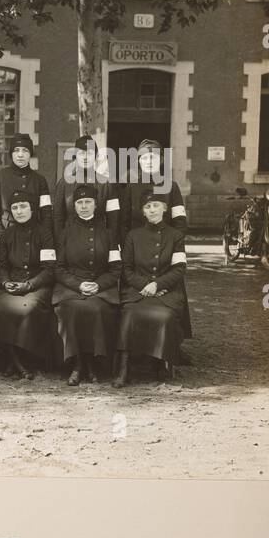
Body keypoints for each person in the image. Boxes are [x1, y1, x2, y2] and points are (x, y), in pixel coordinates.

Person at [117, 138, 194, 346]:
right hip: (138, 256)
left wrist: (171, 248)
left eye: (153, 157)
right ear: (138, 162)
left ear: (160, 160)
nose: (148, 161)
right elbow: (123, 224)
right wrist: (129, 252)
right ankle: (132, 346)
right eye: (144, 158)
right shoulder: (129, 187)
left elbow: (180, 222)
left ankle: (170, 347)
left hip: (164, 255)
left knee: (169, 301)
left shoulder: (171, 187)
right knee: (134, 303)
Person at [116, 189, 188, 387]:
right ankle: (124, 368)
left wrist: (158, 284)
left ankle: (160, 364)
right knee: (129, 314)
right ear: (143, 212)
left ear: (164, 208)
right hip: (138, 292)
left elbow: (179, 268)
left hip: (166, 292)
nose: (152, 210)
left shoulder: (176, 236)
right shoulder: (133, 236)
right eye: (147, 207)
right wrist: (145, 285)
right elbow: (127, 270)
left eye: (156, 205)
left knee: (164, 316)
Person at [53, 183, 122, 386]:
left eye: (88, 202)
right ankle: (77, 363)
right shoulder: (65, 234)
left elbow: (116, 269)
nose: (84, 206)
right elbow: (58, 268)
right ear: (74, 206)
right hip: (71, 288)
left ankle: (94, 362)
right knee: (71, 309)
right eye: (80, 203)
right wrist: (78, 285)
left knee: (98, 309)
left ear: (96, 204)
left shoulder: (109, 234)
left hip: (101, 288)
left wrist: (99, 285)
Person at [0, 187, 57, 380]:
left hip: (37, 285)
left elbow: (50, 269)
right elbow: (2, 266)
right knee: (1, 308)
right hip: (12, 284)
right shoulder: (7, 235)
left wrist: (29, 285)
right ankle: (15, 361)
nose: (19, 211)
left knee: (29, 308)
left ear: (32, 208)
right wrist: (4, 283)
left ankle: (22, 360)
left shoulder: (44, 234)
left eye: (23, 206)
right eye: (15, 207)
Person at [50, 135, 122, 245]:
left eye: (89, 153)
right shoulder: (64, 183)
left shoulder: (107, 184)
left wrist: (112, 245)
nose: (85, 157)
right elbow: (58, 217)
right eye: (81, 153)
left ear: (95, 156)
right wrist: (60, 244)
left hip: (98, 243)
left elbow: (113, 218)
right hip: (71, 242)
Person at [0, 133, 51, 241]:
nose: (20, 155)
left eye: (25, 150)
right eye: (16, 150)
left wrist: (44, 238)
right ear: (11, 153)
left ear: (30, 153)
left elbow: (46, 213)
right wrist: (0, 237)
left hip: (33, 238)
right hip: (6, 236)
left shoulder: (40, 180)